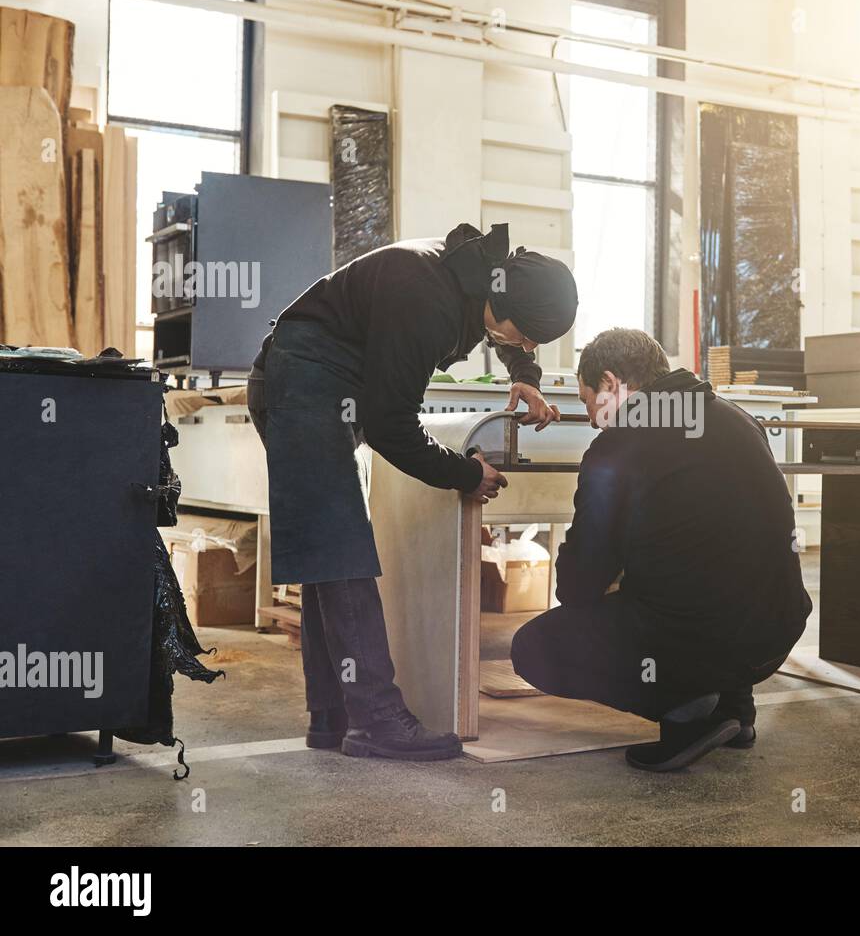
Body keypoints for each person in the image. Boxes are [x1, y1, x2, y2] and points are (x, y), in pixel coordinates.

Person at [247, 222, 577, 762]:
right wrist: (466, 474)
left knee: (328, 555)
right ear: (504, 301)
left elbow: (506, 329)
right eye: (527, 335)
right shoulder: (427, 299)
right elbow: (391, 426)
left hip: (321, 380)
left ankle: (332, 715)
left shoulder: (475, 274)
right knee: (341, 549)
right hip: (302, 383)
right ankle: (376, 720)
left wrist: (528, 373)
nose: (526, 345)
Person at [510, 328, 811, 772]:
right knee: (710, 580)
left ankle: (687, 712)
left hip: (697, 639)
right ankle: (735, 712)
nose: (593, 418)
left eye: (589, 401)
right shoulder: (735, 416)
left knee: (532, 647)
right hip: (777, 633)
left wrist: (620, 576)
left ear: (612, 385)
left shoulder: (617, 447)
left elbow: (577, 587)